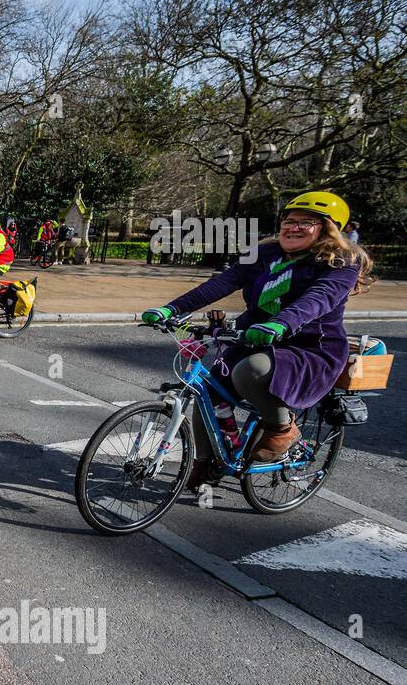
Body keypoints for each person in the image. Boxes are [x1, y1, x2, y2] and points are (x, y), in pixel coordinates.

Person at [141, 191, 374, 487]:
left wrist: (281, 323)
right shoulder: (266, 253)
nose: (294, 227)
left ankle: (282, 427)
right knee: (207, 394)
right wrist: (171, 308)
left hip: (308, 347)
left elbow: (320, 298)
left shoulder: (341, 260)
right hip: (254, 338)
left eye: (307, 222)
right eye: (289, 220)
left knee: (250, 371)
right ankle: (206, 461)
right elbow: (223, 282)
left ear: (329, 229)